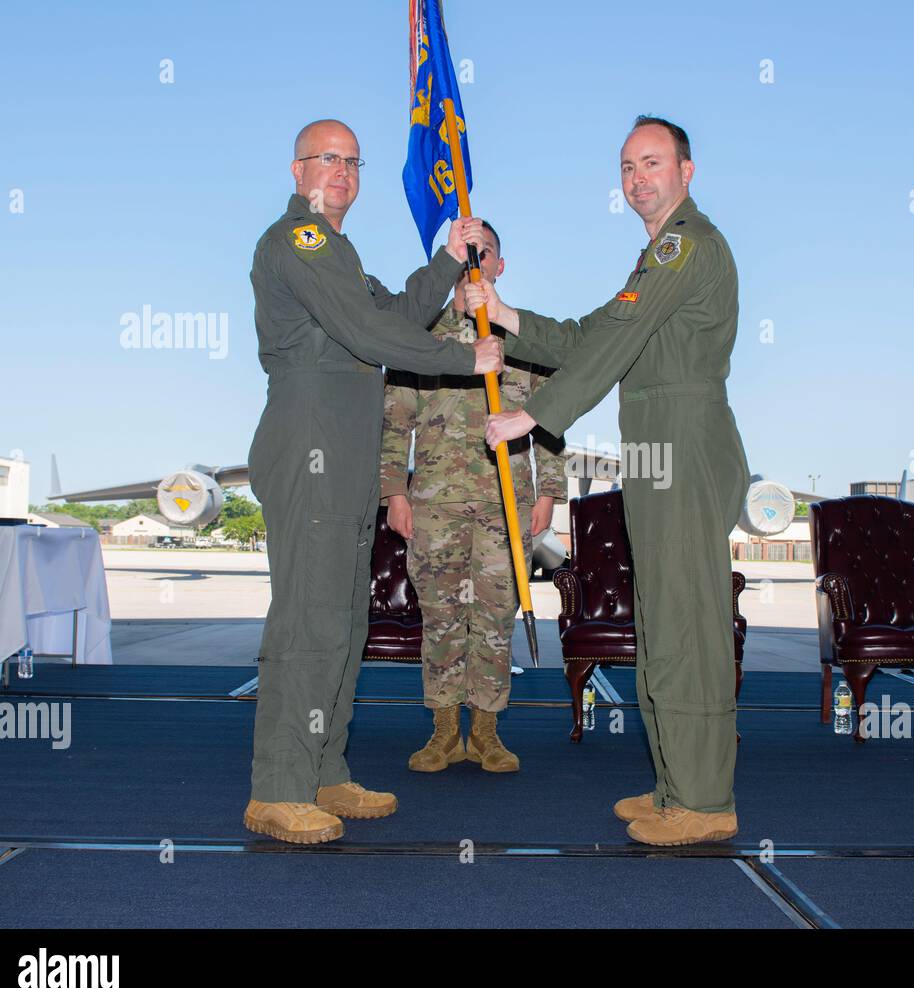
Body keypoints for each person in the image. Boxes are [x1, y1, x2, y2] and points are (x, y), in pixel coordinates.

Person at [469, 116, 751, 847]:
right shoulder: (655, 258)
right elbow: (594, 331)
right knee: (661, 623)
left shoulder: (688, 244)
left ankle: (705, 800)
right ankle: (674, 784)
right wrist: (506, 315)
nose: (637, 180)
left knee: (687, 624)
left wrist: (533, 416)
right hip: (657, 447)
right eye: (627, 168)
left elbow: (613, 344)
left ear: (687, 171)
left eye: (652, 163)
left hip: (685, 445)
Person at [245, 119, 502, 844]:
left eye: (354, 162)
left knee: (342, 623)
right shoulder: (294, 242)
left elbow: (392, 314)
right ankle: (278, 787)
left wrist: (450, 262)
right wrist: (463, 361)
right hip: (311, 441)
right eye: (328, 160)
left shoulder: (342, 255)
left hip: (347, 451)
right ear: (297, 170)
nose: (343, 173)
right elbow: (371, 335)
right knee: (306, 623)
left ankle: (324, 770)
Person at [379, 221, 566, 774]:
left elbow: (553, 420)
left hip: (505, 503)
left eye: (485, 253)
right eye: (467, 252)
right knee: (439, 616)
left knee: (493, 617)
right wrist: (394, 492)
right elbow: (394, 425)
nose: (475, 261)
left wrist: (549, 493)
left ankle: (485, 731)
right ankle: (442, 731)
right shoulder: (419, 338)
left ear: (499, 267)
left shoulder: (523, 340)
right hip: (434, 502)